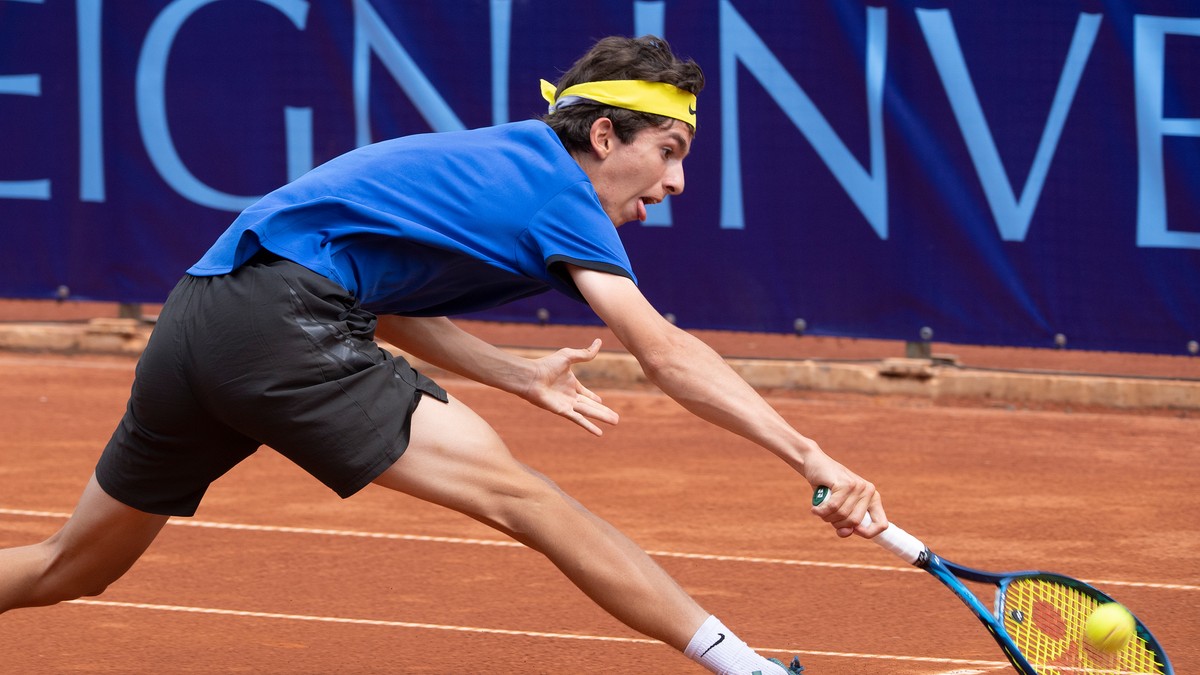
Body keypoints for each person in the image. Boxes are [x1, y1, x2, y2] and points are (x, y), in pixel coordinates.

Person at [0, 36, 886, 674]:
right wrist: (808, 454)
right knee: (531, 500)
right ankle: (749, 669)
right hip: (281, 322)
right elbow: (664, 351)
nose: (677, 181)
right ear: (607, 137)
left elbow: (367, 294)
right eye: (670, 150)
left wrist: (514, 371)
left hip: (199, 317)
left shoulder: (497, 161)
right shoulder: (558, 189)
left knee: (76, 563)